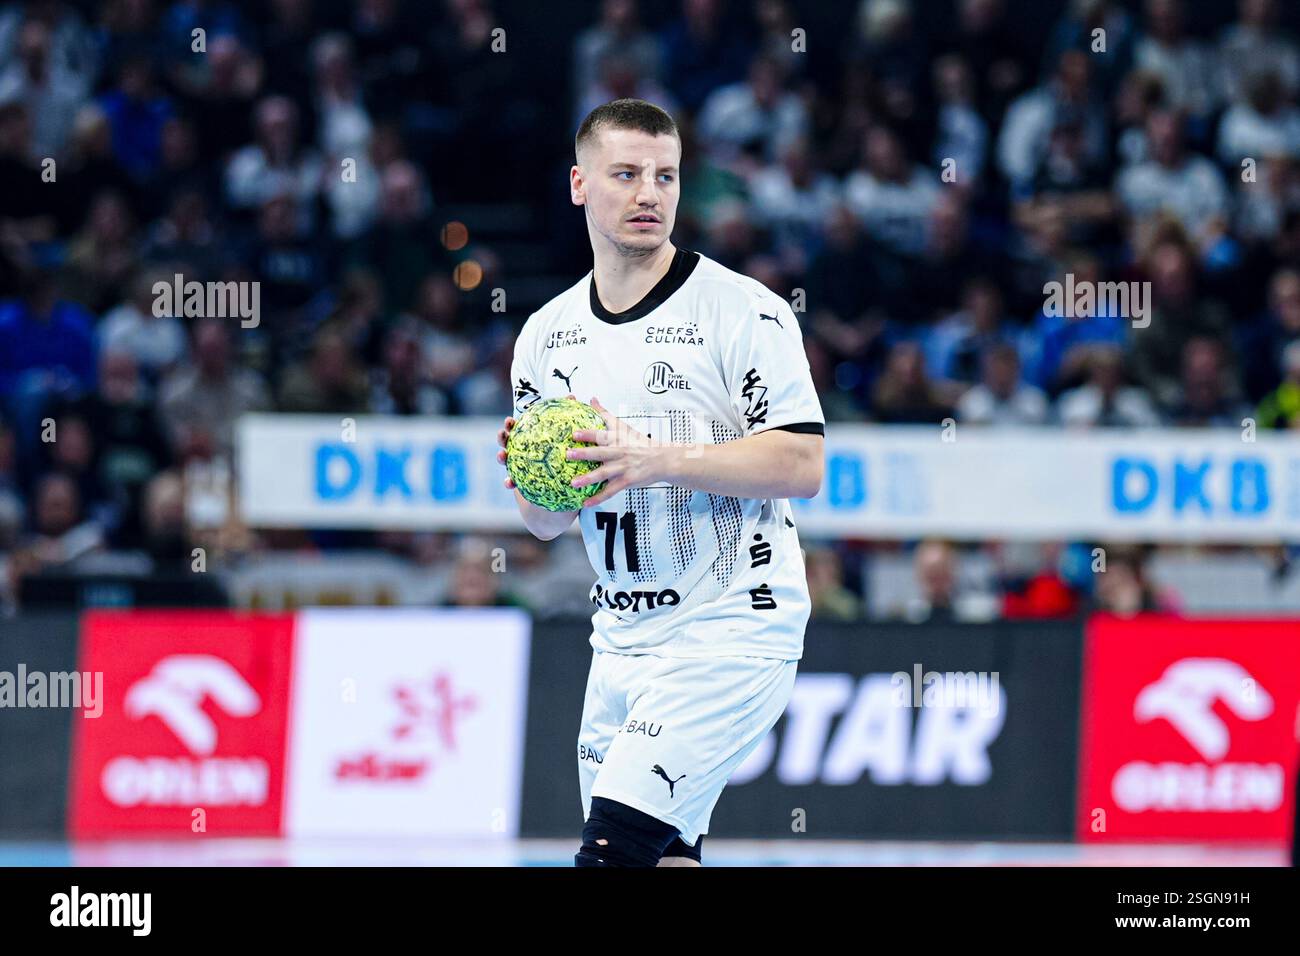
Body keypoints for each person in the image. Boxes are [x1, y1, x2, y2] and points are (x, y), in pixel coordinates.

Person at [496, 99, 824, 867]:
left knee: (611, 853)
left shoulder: (745, 311)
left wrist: (658, 457)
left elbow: (803, 466)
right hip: (620, 641)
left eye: (666, 176)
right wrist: (537, 479)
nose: (649, 193)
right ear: (580, 185)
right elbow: (543, 526)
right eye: (626, 174)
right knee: (665, 858)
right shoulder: (545, 336)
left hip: (732, 626)